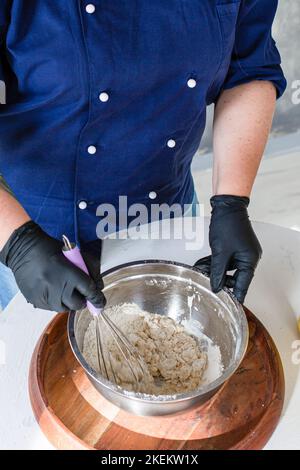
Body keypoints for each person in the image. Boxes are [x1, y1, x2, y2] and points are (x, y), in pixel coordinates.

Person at [0, 1, 286, 311]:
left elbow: (248, 70)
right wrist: (19, 245)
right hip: (38, 237)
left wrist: (231, 200)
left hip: (168, 212)